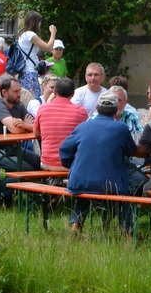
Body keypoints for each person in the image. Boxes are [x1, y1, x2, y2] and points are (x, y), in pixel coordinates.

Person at [60, 91, 140, 233]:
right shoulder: (121, 128)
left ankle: (76, 224)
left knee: (85, 189)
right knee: (124, 195)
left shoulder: (83, 126)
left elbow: (64, 150)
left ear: (97, 108)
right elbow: (131, 150)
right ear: (116, 110)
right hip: (111, 185)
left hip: (79, 181)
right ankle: (127, 231)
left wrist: (72, 166)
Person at [0, 74, 38, 172]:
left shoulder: (19, 105)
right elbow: (15, 130)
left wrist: (25, 125)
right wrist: (26, 126)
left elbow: (37, 127)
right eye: (15, 91)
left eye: (20, 91)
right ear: (4, 92)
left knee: (37, 162)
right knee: (24, 168)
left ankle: (24, 186)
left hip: (9, 147)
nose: (19, 94)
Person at [32, 77, 85, 171]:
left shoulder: (42, 109)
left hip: (47, 163)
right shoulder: (81, 111)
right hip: (73, 164)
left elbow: (36, 134)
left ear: (55, 92)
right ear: (73, 93)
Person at [13, 10, 57, 100]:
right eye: (39, 22)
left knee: (26, 99)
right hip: (30, 73)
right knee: (33, 100)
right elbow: (49, 48)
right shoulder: (30, 35)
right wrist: (53, 33)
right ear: (36, 22)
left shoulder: (22, 34)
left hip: (25, 72)